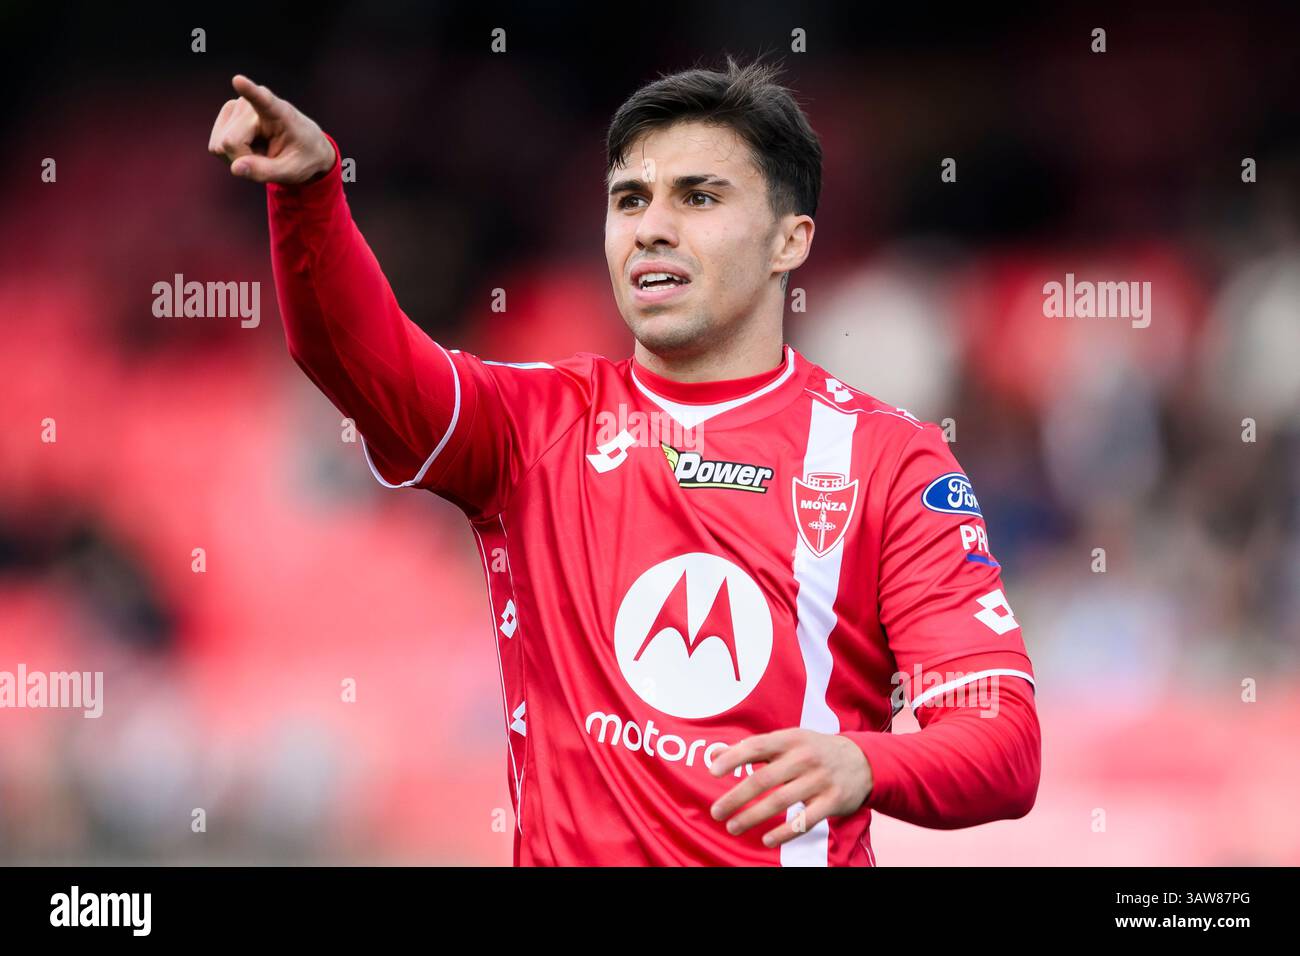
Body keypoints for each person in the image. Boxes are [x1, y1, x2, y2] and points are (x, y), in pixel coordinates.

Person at [208, 56, 1040, 866]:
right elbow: (354, 357)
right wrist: (309, 197)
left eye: (699, 196)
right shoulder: (533, 425)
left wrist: (864, 763)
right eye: (629, 199)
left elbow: (1001, 739)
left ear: (791, 240)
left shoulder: (886, 459)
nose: (652, 227)